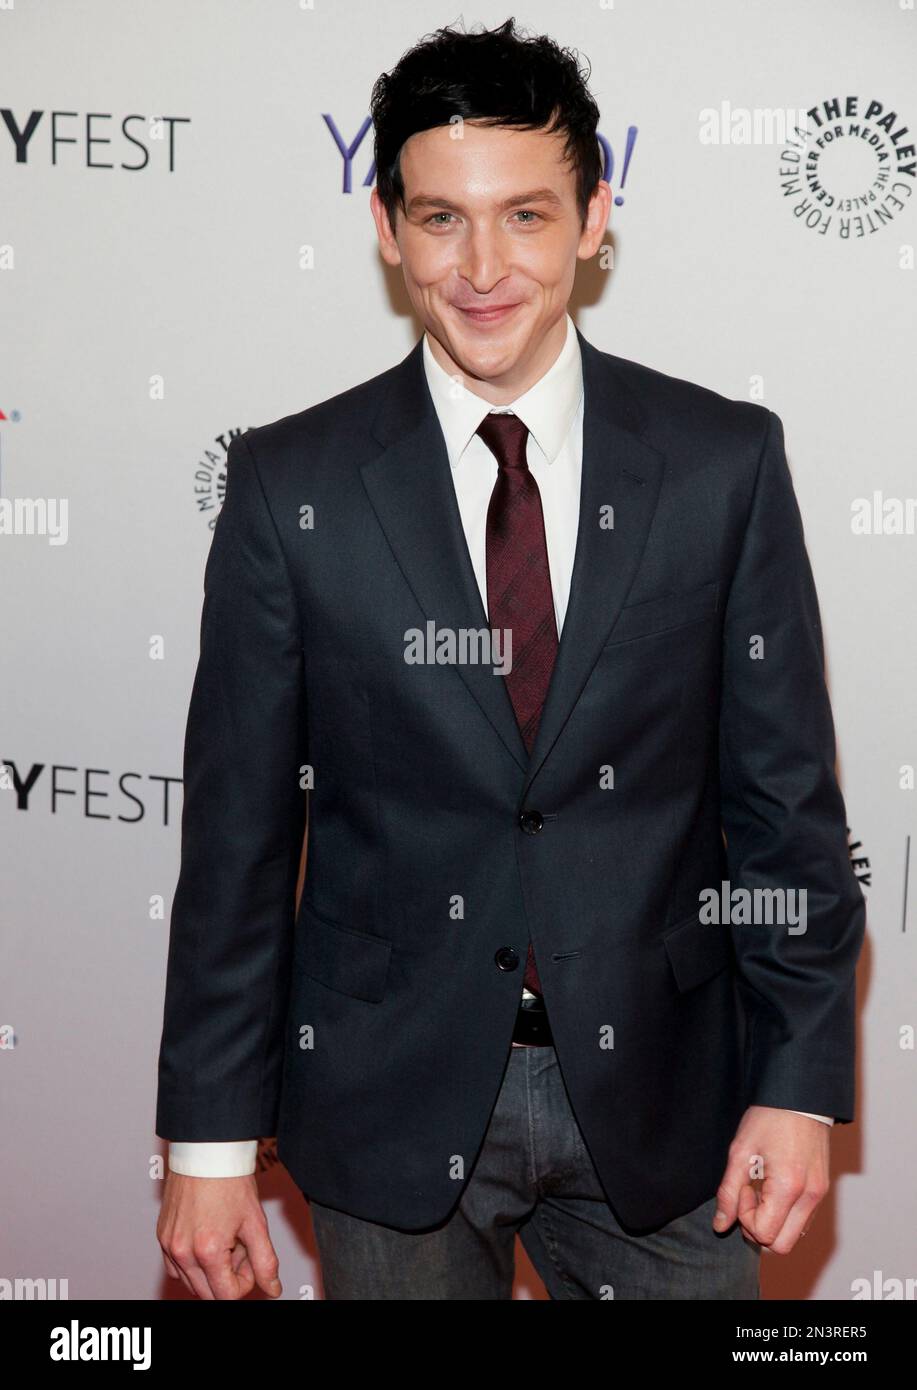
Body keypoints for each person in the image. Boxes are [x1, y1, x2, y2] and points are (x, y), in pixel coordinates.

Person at [155, 18, 865, 1300]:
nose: (482, 268)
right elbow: (238, 841)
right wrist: (206, 1139)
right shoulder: (288, 486)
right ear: (384, 226)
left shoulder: (722, 464)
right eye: (439, 219)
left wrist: (798, 1084)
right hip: (382, 1096)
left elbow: (785, 817)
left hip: (671, 1105)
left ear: (594, 216)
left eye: (526, 216)